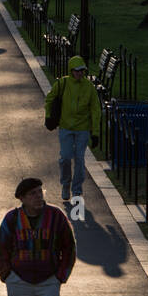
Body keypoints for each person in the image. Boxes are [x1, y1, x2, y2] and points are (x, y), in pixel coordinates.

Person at [44, 55, 102, 205]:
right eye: (76, 71)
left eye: (82, 71)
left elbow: (96, 109)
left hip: (82, 128)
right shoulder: (62, 83)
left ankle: (77, 190)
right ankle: (65, 184)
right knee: (65, 157)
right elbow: (50, 99)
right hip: (66, 127)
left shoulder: (88, 87)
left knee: (80, 159)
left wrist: (95, 132)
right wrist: (49, 116)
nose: (79, 74)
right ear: (71, 71)